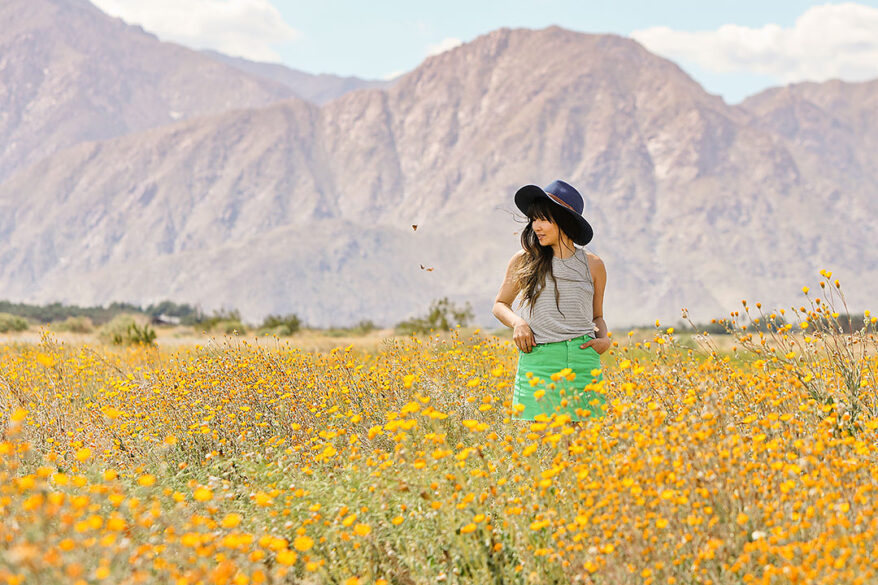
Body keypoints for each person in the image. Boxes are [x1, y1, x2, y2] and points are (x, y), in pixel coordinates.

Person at [492, 180, 610, 421]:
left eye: (543, 219)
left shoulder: (594, 265)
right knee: (544, 450)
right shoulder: (523, 259)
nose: (536, 226)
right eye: (533, 219)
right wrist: (518, 323)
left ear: (564, 221)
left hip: (583, 361)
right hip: (539, 361)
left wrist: (605, 339)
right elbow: (500, 305)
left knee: (582, 451)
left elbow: (596, 316)